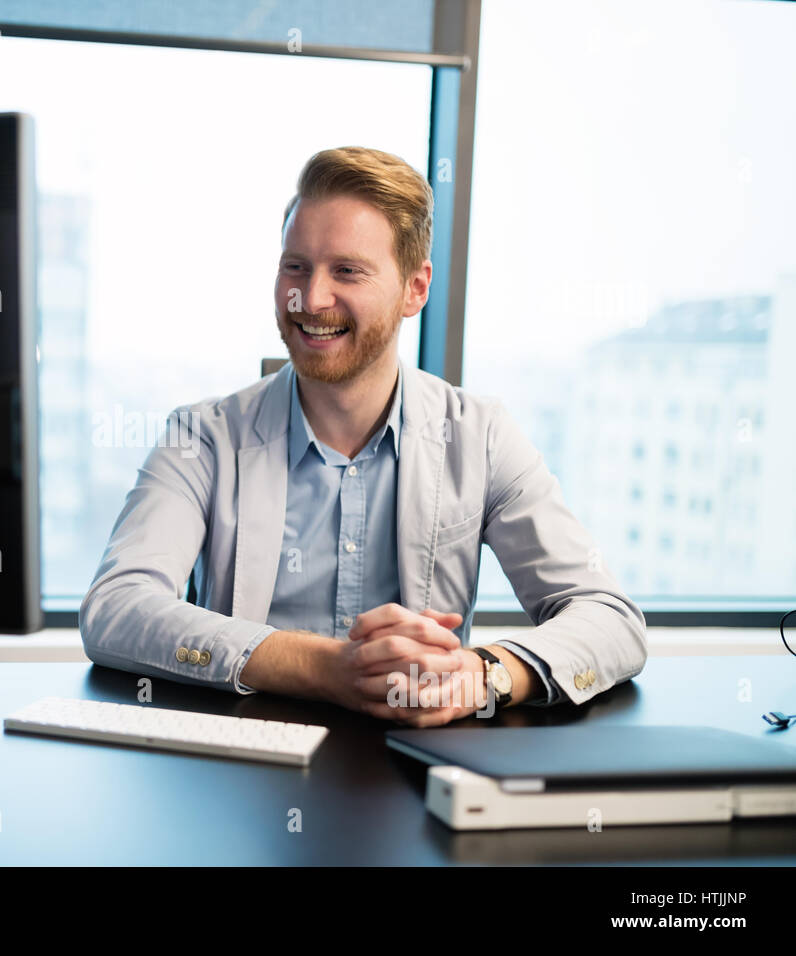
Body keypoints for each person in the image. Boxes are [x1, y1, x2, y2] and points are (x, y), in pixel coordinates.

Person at [79, 146, 646, 727]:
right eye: (295, 266)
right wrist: (326, 668)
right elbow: (116, 608)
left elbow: (610, 618)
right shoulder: (202, 437)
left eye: (346, 271)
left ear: (414, 289)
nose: (310, 297)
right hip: (243, 773)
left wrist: (483, 675)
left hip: (417, 770)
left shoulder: (480, 436)